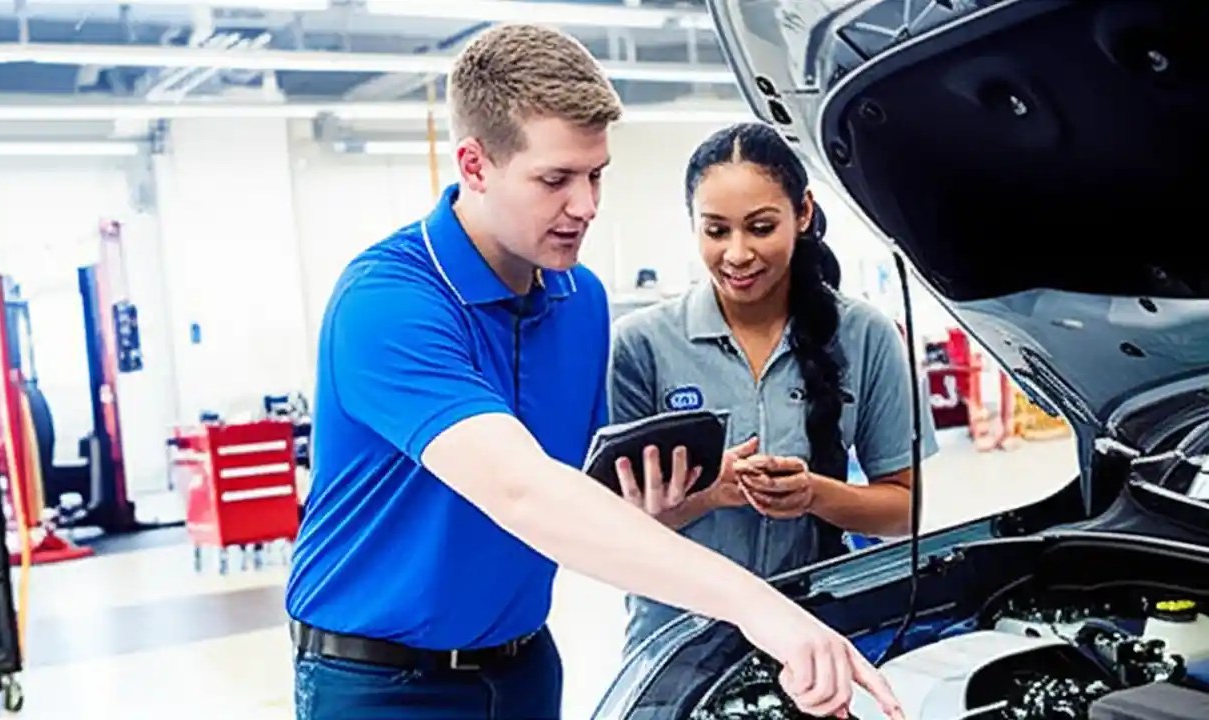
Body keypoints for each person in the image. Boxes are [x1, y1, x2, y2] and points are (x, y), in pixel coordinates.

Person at [284, 24, 904, 720]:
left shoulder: (580, 301)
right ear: (475, 165)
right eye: (555, 180)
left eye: (596, 174)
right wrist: (759, 607)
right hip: (381, 684)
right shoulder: (388, 302)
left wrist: (681, 500)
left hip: (524, 664)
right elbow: (522, 491)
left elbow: (577, 489)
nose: (585, 205)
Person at [609, 121, 941, 656]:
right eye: (716, 231)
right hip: (678, 642)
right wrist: (710, 493)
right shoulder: (640, 345)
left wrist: (815, 494)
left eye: (761, 227)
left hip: (816, 636)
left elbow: (905, 512)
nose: (737, 254)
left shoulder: (866, 336)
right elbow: (614, 532)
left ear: (803, 213)